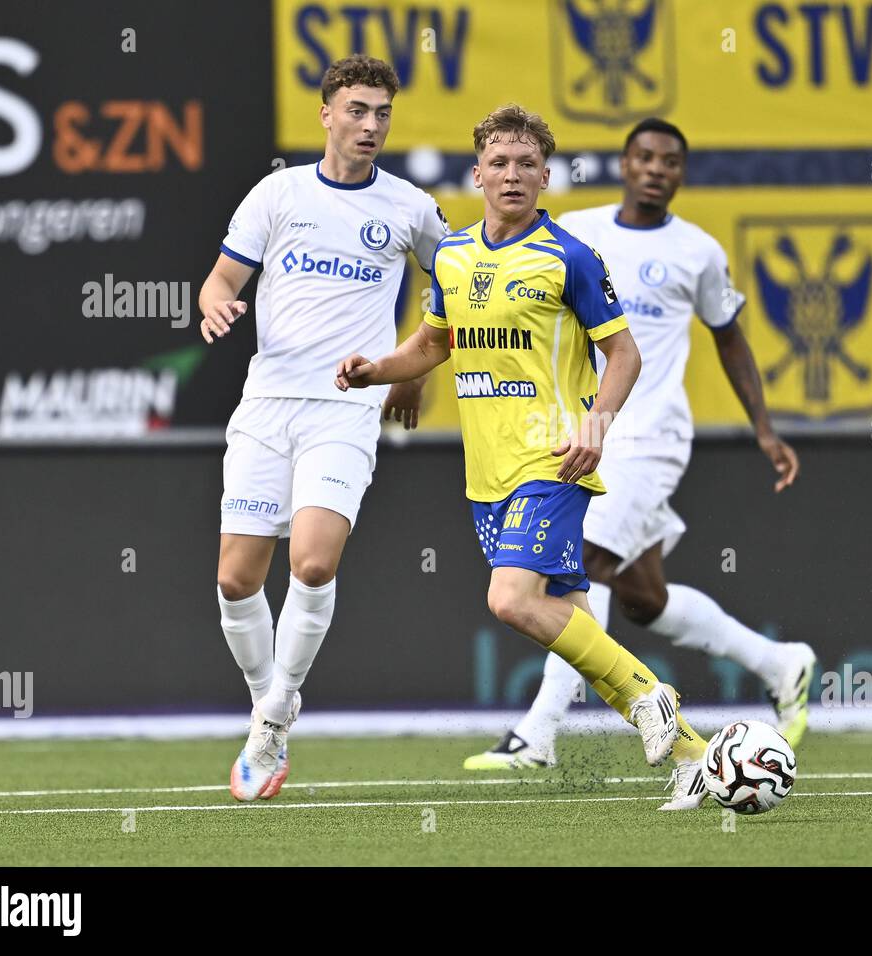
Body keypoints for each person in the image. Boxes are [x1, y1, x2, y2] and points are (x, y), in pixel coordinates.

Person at [335, 104, 713, 810]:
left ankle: (650, 700)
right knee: (569, 622)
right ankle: (692, 754)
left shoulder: (569, 256)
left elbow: (625, 353)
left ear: (546, 177)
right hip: (487, 474)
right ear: (477, 173)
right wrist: (376, 369)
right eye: (499, 163)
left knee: (511, 600)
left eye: (527, 164)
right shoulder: (451, 254)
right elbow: (434, 344)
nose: (512, 174)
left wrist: (597, 423)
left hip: (555, 460)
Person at [464, 119, 814, 794]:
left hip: (649, 438)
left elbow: (730, 338)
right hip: (579, 429)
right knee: (643, 599)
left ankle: (537, 732)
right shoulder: (576, 232)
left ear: (680, 174)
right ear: (623, 164)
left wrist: (765, 430)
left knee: (581, 562)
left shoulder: (698, 252)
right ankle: (779, 664)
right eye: (645, 156)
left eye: (671, 161)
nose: (656, 169)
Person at [198, 55, 447, 801]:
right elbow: (222, 278)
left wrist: (411, 370)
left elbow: (456, 291)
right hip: (266, 407)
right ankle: (265, 701)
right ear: (327, 113)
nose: (370, 125)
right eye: (358, 110)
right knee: (236, 579)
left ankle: (274, 721)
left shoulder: (409, 208)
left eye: (382, 114)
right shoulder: (277, 195)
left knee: (309, 563)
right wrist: (213, 304)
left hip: (346, 407)